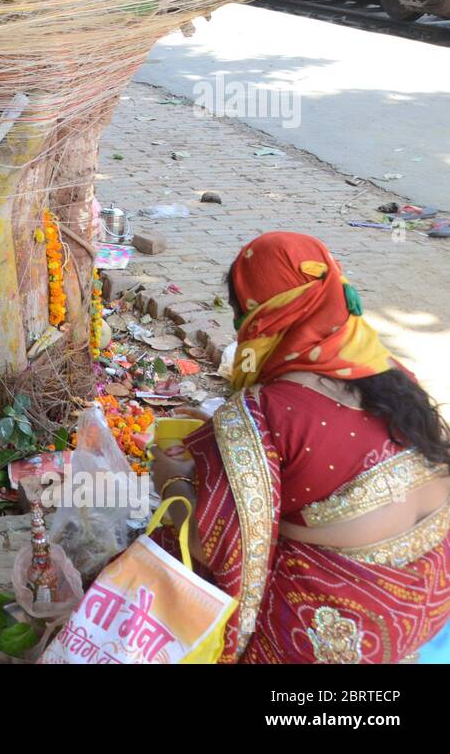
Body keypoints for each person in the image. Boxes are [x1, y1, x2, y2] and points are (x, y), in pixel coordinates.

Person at [151, 232, 450, 663]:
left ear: (258, 317)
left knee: (170, 542)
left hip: (350, 628)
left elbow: (220, 550)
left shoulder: (264, 413)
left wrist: (173, 483)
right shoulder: (390, 370)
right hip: (432, 592)